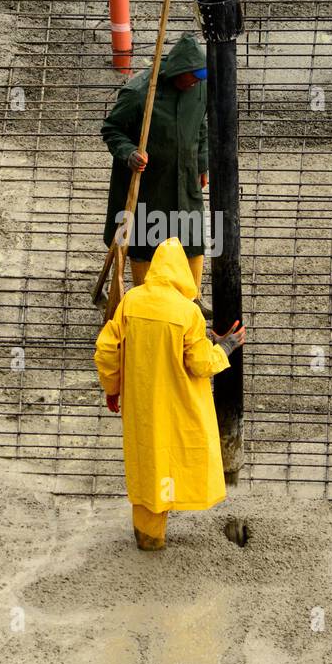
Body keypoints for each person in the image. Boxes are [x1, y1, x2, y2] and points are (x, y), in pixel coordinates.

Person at [94, 237, 246, 551]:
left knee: (146, 465)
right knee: (171, 460)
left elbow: (107, 348)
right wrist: (225, 348)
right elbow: (201, 364)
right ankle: (158, 528)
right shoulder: (187, 313)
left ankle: (149, 536)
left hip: (140, 406)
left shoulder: (132, 301)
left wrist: (112, 388)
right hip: (174, 405)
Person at [101, 32, 209, 299]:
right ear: (178, 71)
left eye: (201, 77)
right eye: (193, 76)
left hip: (184, 179)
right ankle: (146, 302)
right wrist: (129, 153)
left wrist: (202, 165)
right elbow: (112, 129)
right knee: (145, 242)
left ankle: (191, 301)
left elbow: (201, 125)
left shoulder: (199, 87)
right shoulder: (140, 92)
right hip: (148, 184)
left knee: (192, 240)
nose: (197, 82)